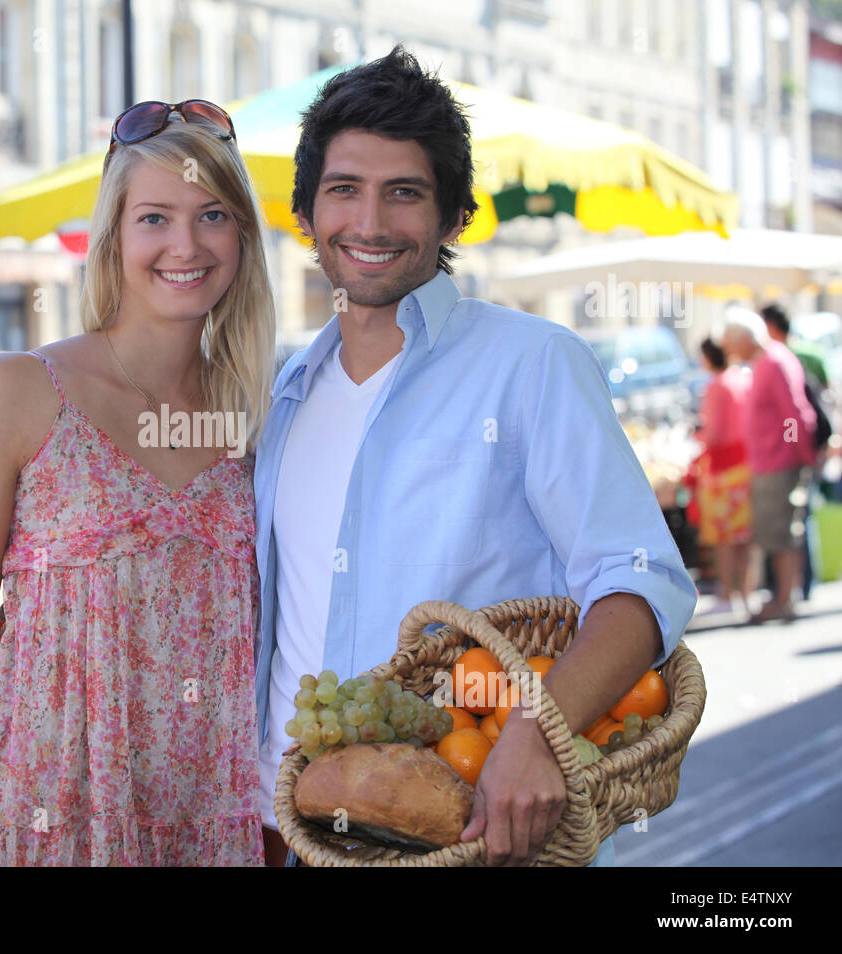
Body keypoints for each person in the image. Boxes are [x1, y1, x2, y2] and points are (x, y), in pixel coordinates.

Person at [254, 46, 697, 868]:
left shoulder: (532, 364)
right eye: (344, 190)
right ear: (306, 214)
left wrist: (537, 732)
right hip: (303, 832)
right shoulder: (289, 392)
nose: (372, 222)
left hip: (472, 831)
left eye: (406, 193)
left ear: (455, 215)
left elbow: (642, 579)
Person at [0, 100, 276, 866]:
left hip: (211, 828)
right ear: (112, 237)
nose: (185, 243)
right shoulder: (17, 391)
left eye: (213, 214)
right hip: (50, 822)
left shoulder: (257, 416)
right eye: (155, 218)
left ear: (243, 238)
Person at [721, 307, 816, 623]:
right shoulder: (766, 361)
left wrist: (790, 451)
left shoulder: (773, 362)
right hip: (770, 461)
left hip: (778, 462)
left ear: (745, 339)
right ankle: (782, 598)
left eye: (731, 343)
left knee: (782, 533)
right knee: (775, 534)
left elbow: (792, 414)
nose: (728, 351)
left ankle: (785, 599)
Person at [760, 303, 831, 600]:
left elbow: (793, 414)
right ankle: (806, 585)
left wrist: (792, 446)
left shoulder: (779, 357)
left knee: (793, 523)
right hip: (807, 444)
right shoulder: (808, 353)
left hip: (791, 451)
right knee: (804, 516)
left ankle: (796, 588)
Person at [693, 338, 753, 617]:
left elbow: (714, 433)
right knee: (743, 537)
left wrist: (698, 436)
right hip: (743, 465)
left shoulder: (717, 385)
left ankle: (727, 592)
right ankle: (745, 592)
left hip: (723, 470)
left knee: (725, 537)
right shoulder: (740, 378)